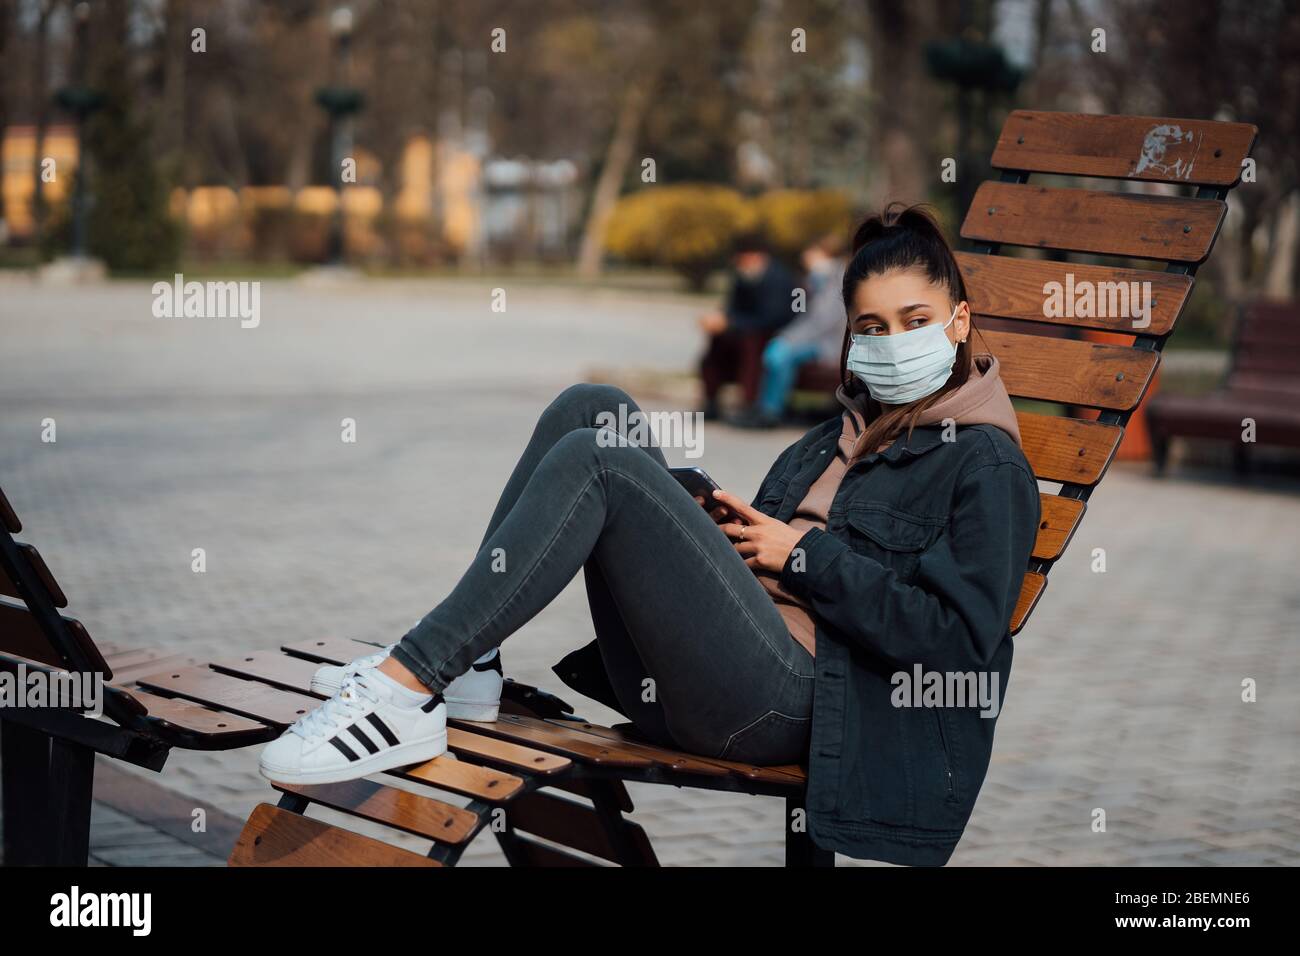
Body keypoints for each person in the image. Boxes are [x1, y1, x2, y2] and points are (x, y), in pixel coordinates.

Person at [258, 204, 1040, 866]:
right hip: (715, 675)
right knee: (592, 409)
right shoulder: (832, 439)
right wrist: (710, 523)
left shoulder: (985, 465)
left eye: (915, 321)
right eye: (872, 325)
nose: (892, 340)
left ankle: (408, 684)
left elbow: (959, 641)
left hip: (800, 706)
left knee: (602, 463)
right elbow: (754, 568)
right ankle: (469, 669)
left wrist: (804, 558)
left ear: (959, 322)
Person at [732, 234, 848, 428]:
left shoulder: (837, 278)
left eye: (810, 252)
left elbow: (822, 320)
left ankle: (770, 411)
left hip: (827, 343)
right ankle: (763, 407)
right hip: (808, 338)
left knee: (779, 354)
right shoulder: (810, 279)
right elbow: (798, 312)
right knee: (775, 350)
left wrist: (789, 338)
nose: (805, 256)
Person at [697, 234, 797, 420]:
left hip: (768, 334)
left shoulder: (779, 278)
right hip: (743, 332)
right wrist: (720, 320)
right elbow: (733, 308)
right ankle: (711, 403)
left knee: (752, 346)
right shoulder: (742, 277)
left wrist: (732, 323)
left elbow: (774, 317)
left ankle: (749, 405)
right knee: (715, 344)